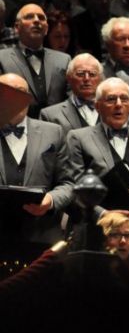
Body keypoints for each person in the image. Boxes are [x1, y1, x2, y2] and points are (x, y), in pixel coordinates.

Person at [64, 77, 129, 241]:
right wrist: (105, 215)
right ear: (97, 106)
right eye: (111, 99)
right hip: (94, 232)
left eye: (124, 99)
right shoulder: (78, 138)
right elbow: (71, 189)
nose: (119, 104)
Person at [0, 73, 72, 264]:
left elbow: (69, 183)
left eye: (20, 93)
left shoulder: (53, 132)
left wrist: (51, 200)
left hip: (41, 235)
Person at [0, 3, 70, 118]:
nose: (37, 20)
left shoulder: (64, 60)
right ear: (17, 28)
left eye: (41, 18)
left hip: (57, 129)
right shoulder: (1, 58)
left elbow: (70, 101)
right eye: (29, 17)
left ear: (46, 29)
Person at [40, 53, 103, 135]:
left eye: (92, 74)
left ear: (101, 79)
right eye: (80, 74)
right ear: (69, 78)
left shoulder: (112, 110)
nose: (87, 79)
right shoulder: (50, 115)